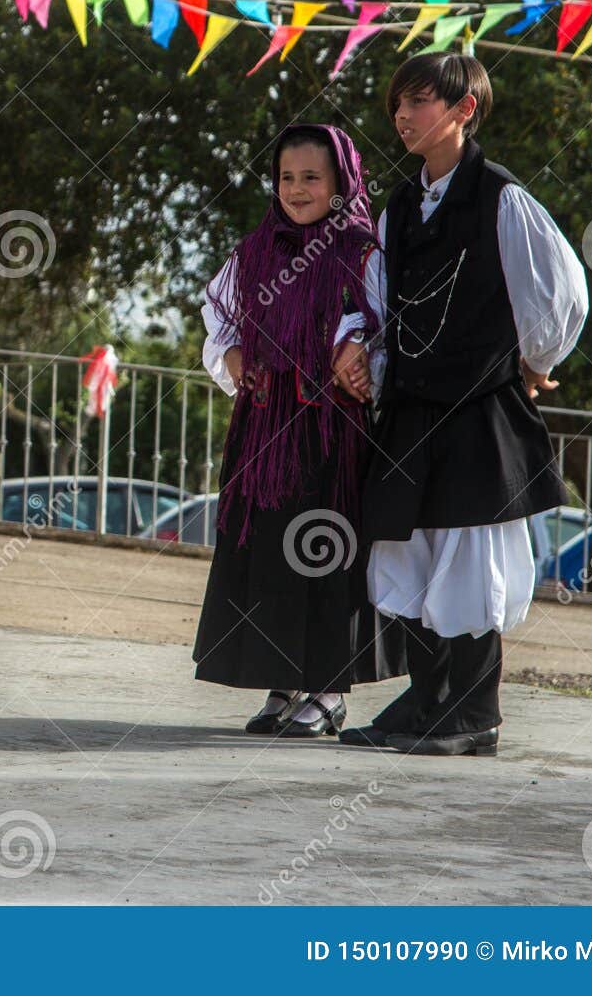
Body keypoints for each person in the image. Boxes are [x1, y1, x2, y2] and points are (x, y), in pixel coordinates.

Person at [340, 52, 588, 756]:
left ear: (463, 110)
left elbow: (561, 289)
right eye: (398, 103)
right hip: (413, 409)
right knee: (411, 550)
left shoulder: (501, 197)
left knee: (472, 559)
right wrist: (366, 353)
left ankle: (475, 712)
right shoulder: (397, 205)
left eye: (419, 101)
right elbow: (380, 300)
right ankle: (426, 700)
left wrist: (536, 359)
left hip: (479, 411)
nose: (403, 115)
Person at [194, 124, 405, 736]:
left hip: (328, 437)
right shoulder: (254, 251)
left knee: (324, 554)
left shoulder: (363, 253)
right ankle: (280, 682)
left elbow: (378, 330)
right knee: (266, 554)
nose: (296, 189)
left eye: (312, 177)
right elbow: (221, 326)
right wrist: (231, 359)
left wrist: (359, 359)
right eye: (287, 177)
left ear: (341, 182)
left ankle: (327, 691)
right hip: (262, 436)